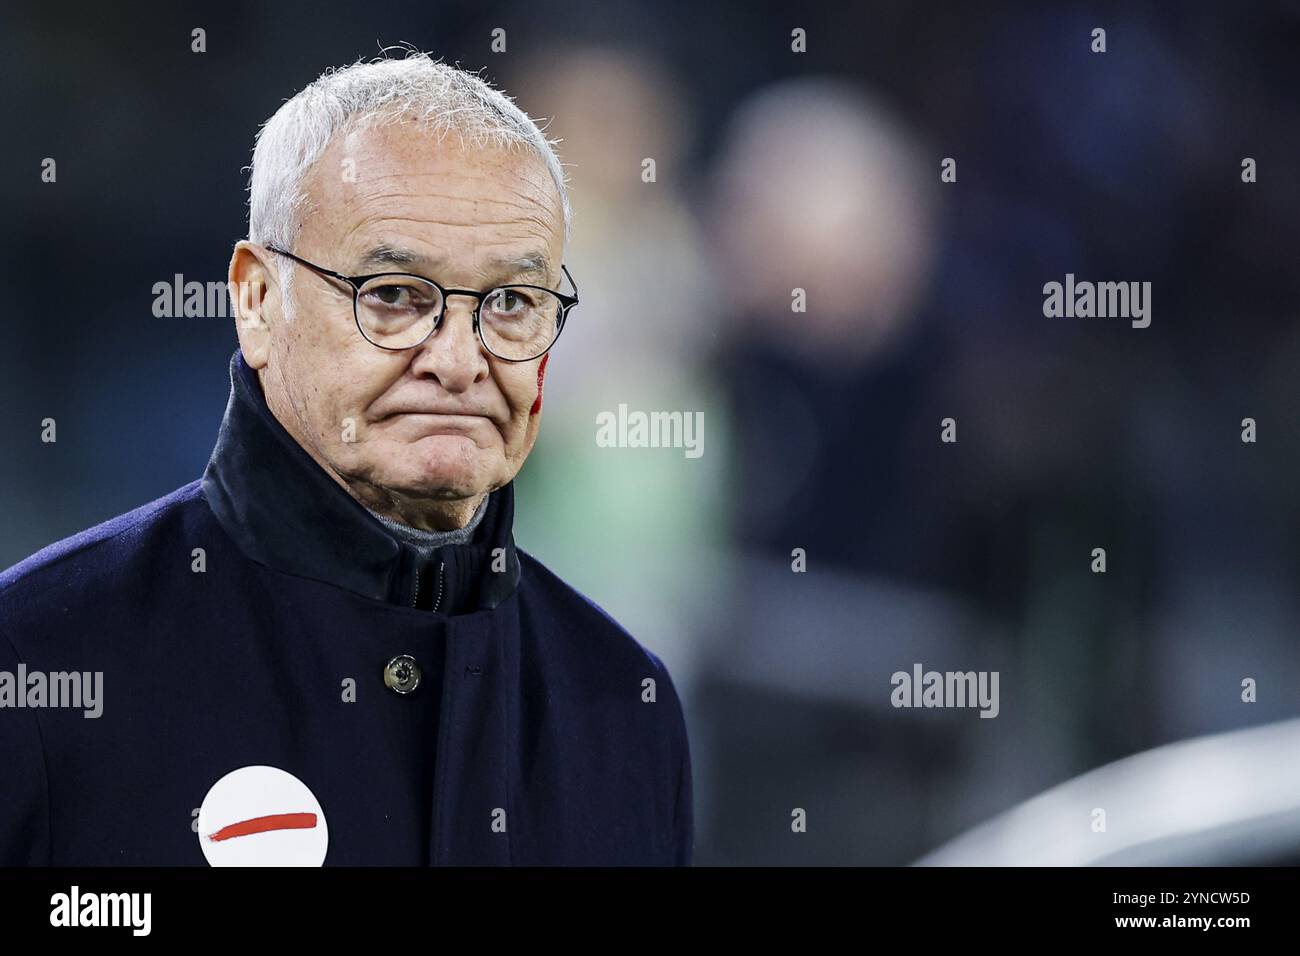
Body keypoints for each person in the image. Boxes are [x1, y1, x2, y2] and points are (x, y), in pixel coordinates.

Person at [0, 53, 692, 866]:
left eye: (510, 303)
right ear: (257, 302)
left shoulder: (622, 702)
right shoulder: (37, 659)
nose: (461, 360)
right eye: (395, 295)